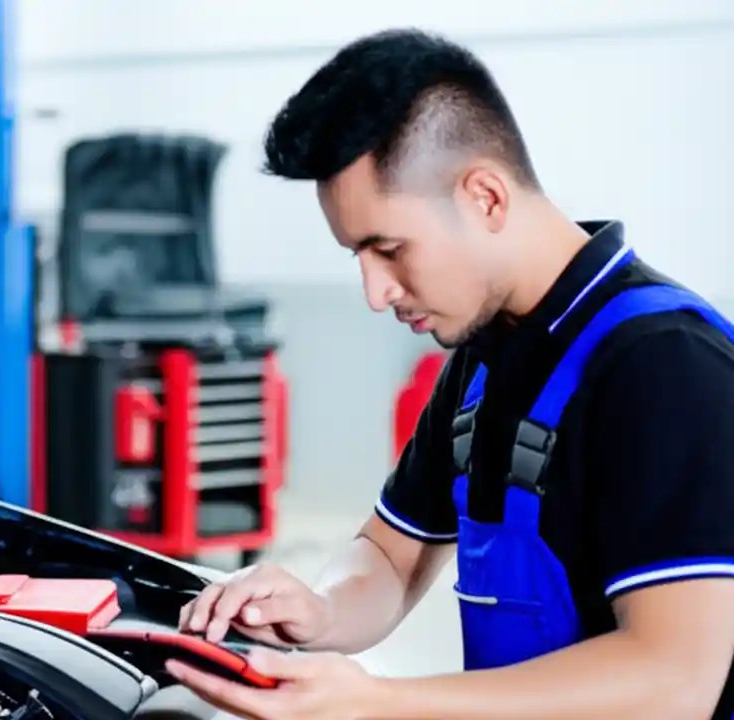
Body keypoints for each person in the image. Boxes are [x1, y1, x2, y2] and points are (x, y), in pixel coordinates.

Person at [167, 27, 734, 719]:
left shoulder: (663, 365)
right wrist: (318, 612)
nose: (376, 292)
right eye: (359, 257)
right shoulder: (483, 357)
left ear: (486, 197)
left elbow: (673, 680)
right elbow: (389, 554)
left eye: (389, 248)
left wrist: (377, 703)